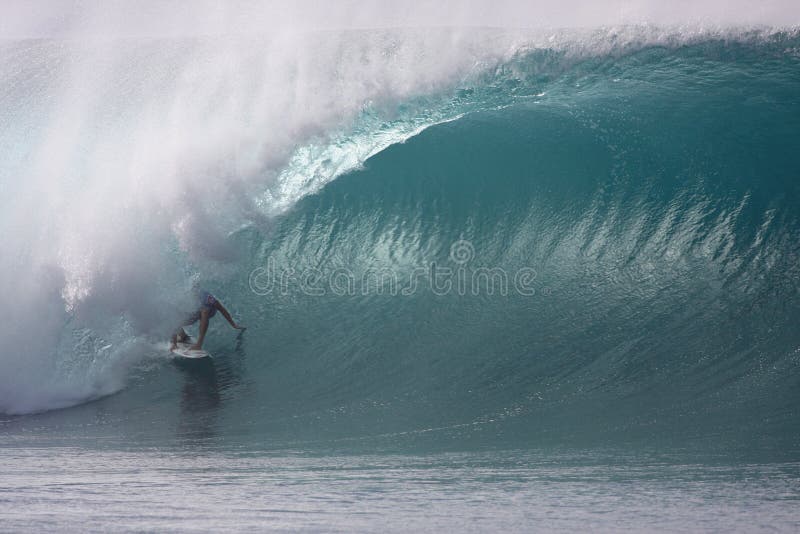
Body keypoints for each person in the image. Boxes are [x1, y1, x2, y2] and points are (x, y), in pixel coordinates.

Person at [171, 289, 245, 351]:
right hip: (196, 311)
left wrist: (234, 325)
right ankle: (183, 335)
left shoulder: (207, 298)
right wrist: (174, 344)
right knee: (177, 320)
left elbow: (222, 310)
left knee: (204, 311)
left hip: (210, 311)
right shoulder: (185, 300)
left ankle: (199, 344)